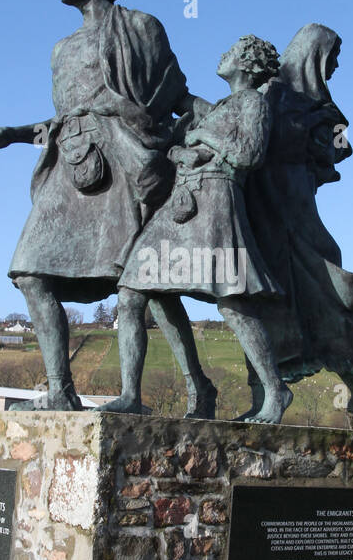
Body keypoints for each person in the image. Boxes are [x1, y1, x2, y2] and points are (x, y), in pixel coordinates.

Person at [0, 0, 215, 414]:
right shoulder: (60, 49)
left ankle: (191, 387)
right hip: (71, 161)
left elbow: (172, 94)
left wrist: (222, 121)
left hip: (126, 157)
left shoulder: (142, 26)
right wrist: (16, 134)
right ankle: (61, 391)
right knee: (30, 273)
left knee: (148, 285)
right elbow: (66, 115)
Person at [115, 36, 292, 424]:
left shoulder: (252, 102)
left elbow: (249, 154)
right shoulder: (218, 107)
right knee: (135, 289)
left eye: (229, 51)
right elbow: (176, 146)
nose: (221, 54)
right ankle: (132, 394)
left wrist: (202, 136)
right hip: (181, 202)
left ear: (246, 63)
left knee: (233, 301)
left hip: (216, 198)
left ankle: (275, 390)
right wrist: (184, 149)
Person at [241, 22, 353, 429]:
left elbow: (334, 154)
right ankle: (265, 401)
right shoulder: (268, 93)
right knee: (260, 309)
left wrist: (330, 141)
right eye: (333, 59)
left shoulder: (319, 108)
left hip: (297, 212)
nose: (336, 67)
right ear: (313, 55)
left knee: (326, 309)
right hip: (268, 209)